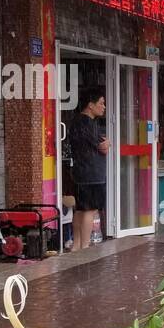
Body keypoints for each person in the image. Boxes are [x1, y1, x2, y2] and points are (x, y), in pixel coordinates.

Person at [67, 88, 108, 251]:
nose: (104, 107)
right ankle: (85, 246)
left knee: (79, 208)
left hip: (79, 172)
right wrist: (107, 143)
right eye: (101, 103)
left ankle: (76, 245)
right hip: (92, 173)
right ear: (90, 105)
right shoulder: (88, 123)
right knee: (90, 210)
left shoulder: (76, 121)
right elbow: (103, 146)